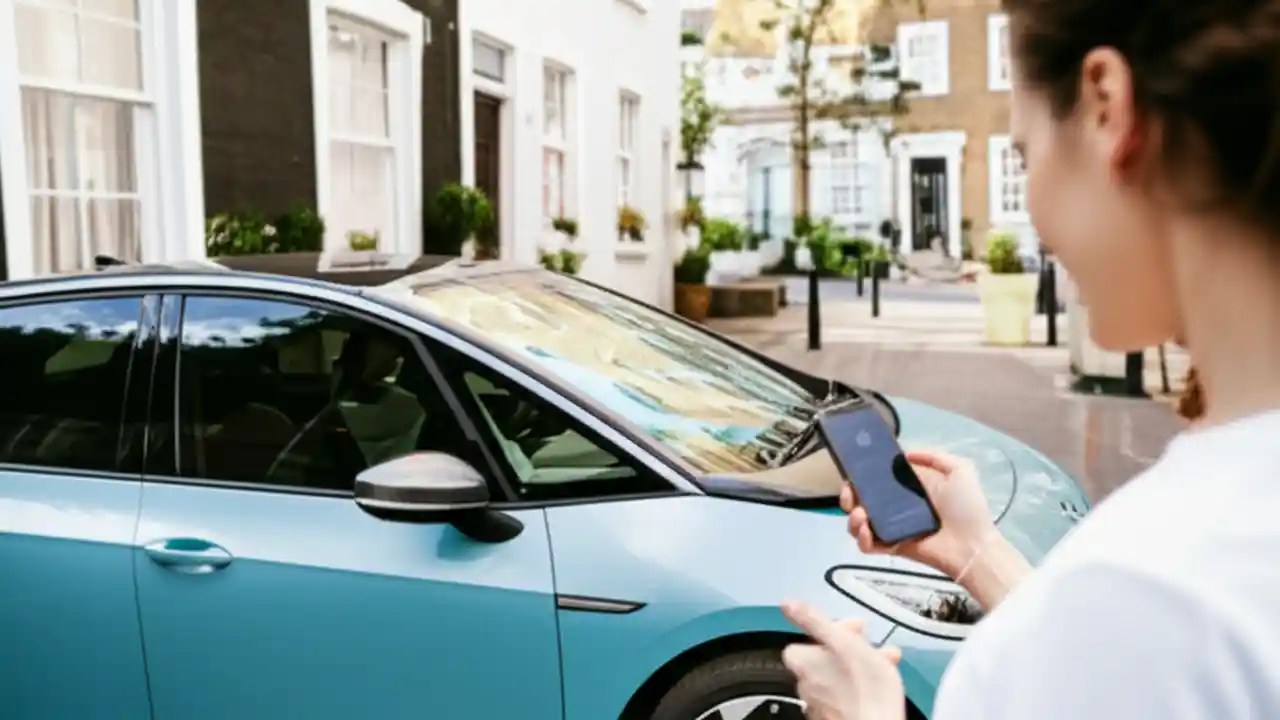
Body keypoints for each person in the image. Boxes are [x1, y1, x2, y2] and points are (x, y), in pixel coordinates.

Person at [779, 0, 1280, 717]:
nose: (1036, 212)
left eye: (1021, 154)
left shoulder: (1149, 589)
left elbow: (1126, 636)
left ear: (1108, 106)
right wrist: (975, 552)